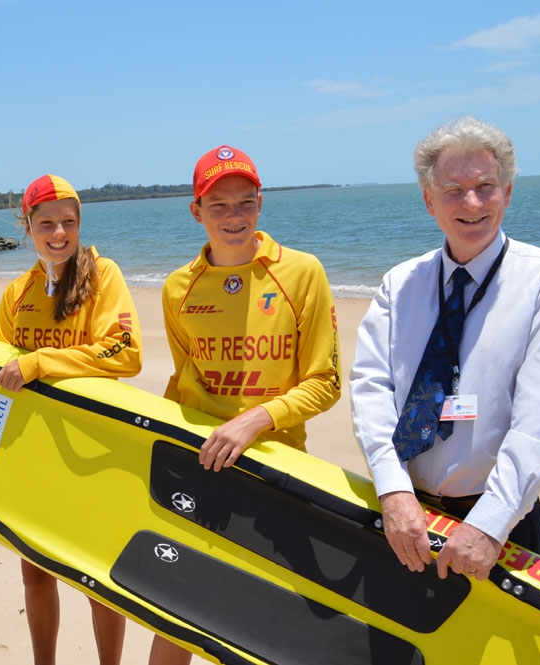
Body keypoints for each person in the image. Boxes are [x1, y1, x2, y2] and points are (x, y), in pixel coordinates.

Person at [350, 116, 540, 583]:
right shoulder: (400, 285)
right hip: (405, 519)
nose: (472, 203)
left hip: (499, 527)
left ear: (509, 192)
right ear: (428, 200)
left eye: (485, 186)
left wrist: (489, 525)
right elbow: (371, 388)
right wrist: (394, 492)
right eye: (453, 190)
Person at [150, 146, 342, 664]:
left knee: (265, 619)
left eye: (246, 203)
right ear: (196, 211)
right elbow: (184, 383)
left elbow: (325, 383)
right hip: (201, 465)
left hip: (276, 472)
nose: (234, 217)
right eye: (219, 206)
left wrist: (255, 421)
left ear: (260, 204)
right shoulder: (177, 289)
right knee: (173, 605)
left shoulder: (302, 273)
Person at [0, 173, 141, 665]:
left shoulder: (104, 276)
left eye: (69, 222)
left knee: (98, 579)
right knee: (36, 573)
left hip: (94, 450)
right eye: (48, 223)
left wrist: (39, 363)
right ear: (27, 225)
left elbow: (124, 354)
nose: (59, 234)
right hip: (33, 452)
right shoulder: (17, 293)